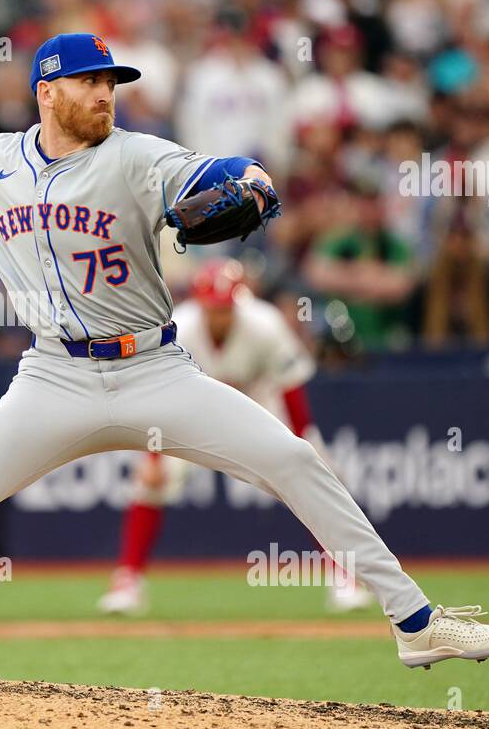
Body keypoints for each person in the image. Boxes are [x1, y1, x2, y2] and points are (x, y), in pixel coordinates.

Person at [0, 33, 489, 684]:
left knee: (294, 458)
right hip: (52, 377)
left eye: (112, 83)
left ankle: (415, 621)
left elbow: (207, 174)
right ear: (47, 91)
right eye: (90, 82)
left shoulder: (136, 157)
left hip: (154, 371)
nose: (106, 94)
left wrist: (247, 177)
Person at [97, 258, 374, 617]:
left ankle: (345, 577)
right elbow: (159, 396)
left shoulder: (264, 323)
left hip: (259, 400)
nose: (221, 316)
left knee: (317, 477)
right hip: (194, 410)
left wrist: (307, 445)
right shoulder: (179, 327)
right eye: (213, 308)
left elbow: (290, 391)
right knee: (150, 481)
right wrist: (153, 457)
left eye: (226, 308)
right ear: (200, 303)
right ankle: (128, 582)